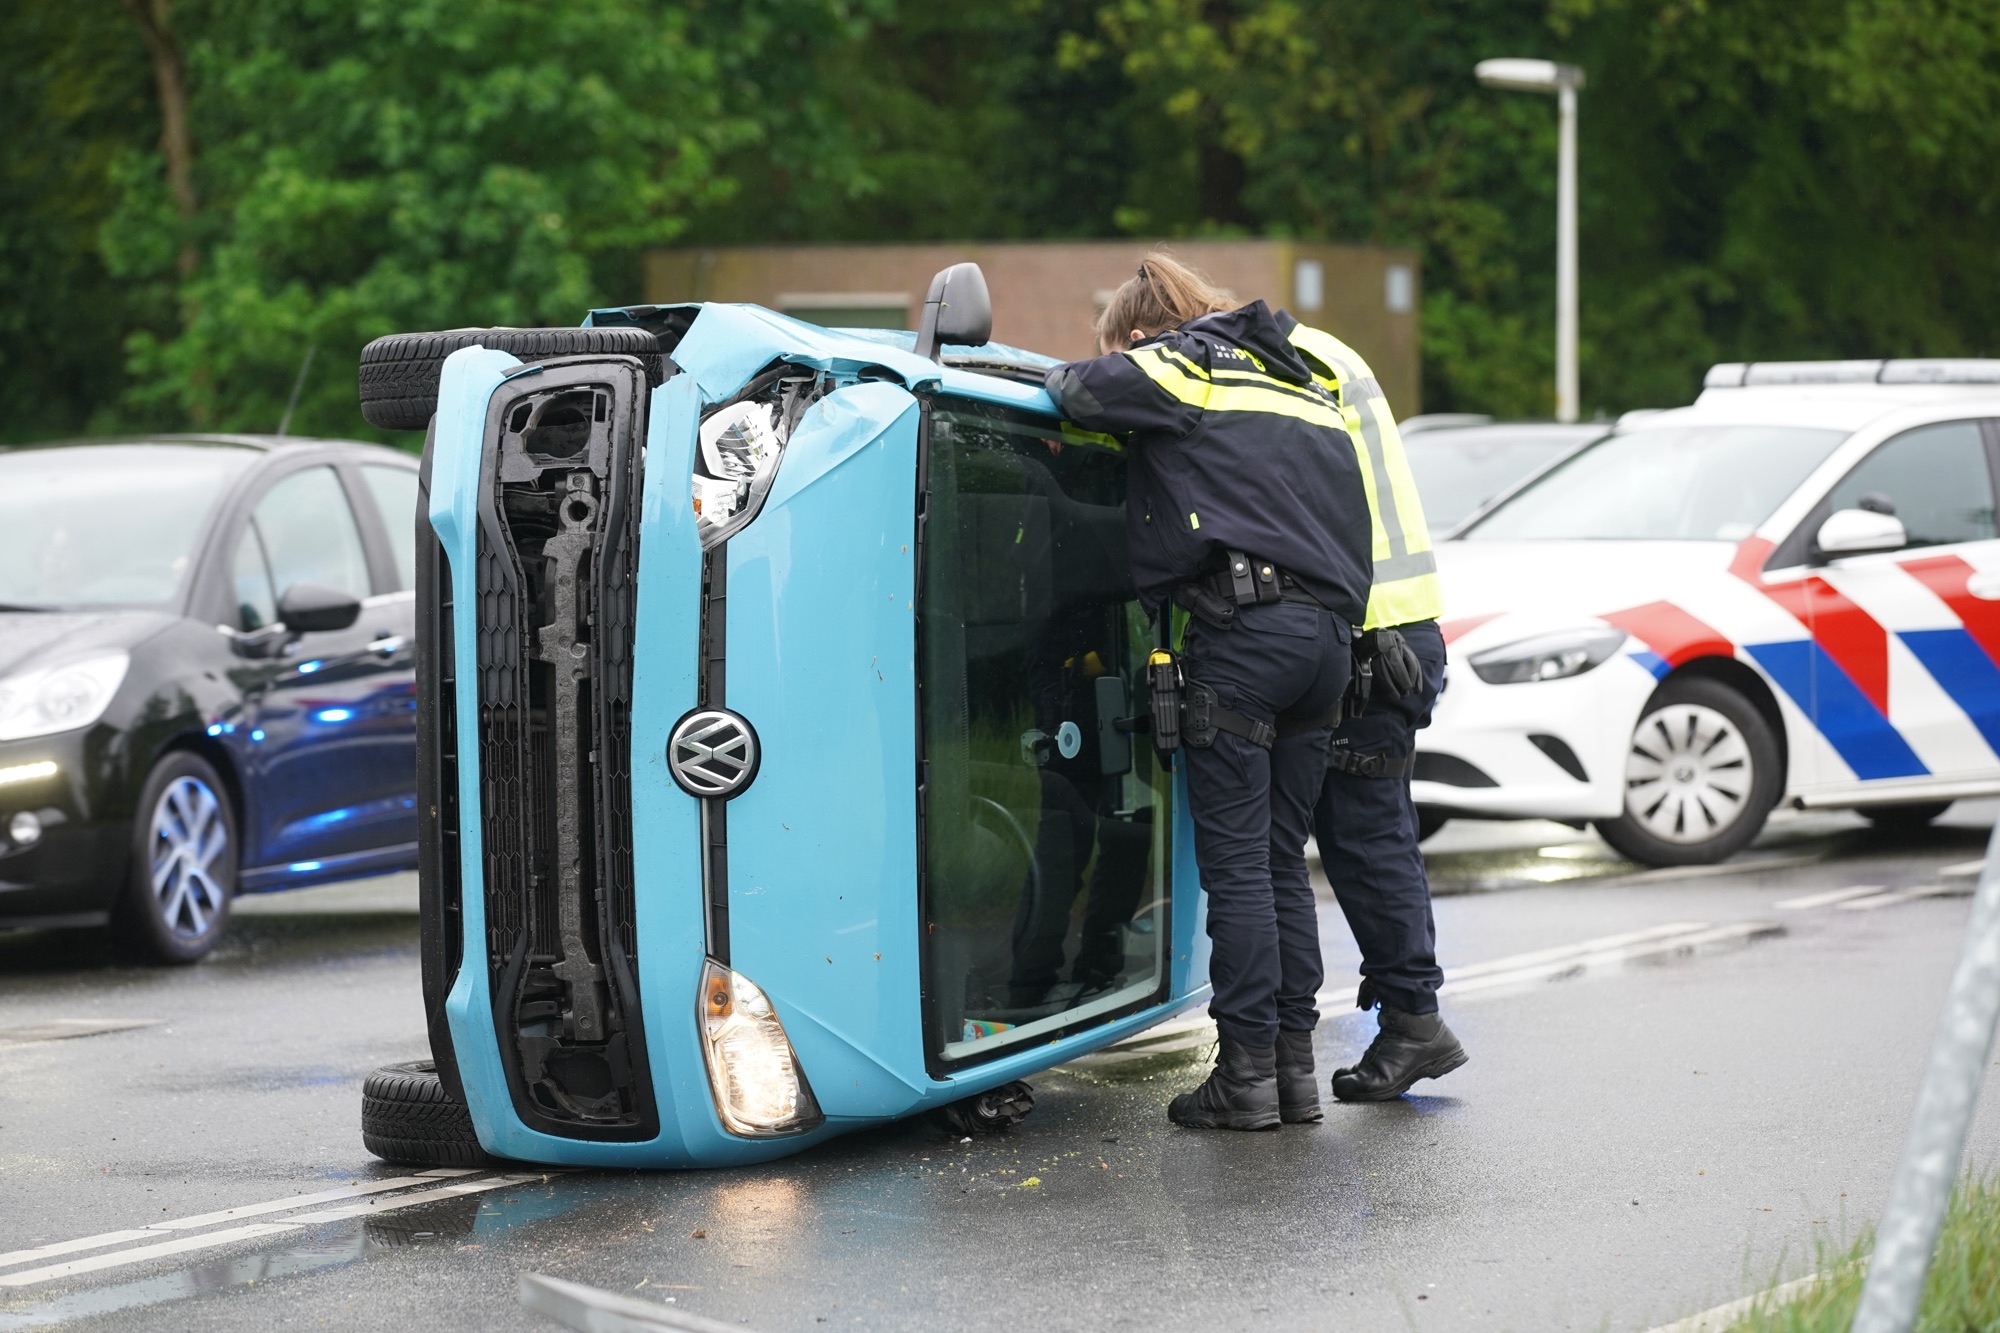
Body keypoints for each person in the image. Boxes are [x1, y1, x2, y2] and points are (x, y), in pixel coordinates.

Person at [1045, 254, 1372, 1130]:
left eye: (1122, 345)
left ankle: (1246, 1076)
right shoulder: (1301, 382)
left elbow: (1076, 392)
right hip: (1327, 649)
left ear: (1142, 334)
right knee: (1279, 864)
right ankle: (1294, 1075)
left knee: (1235, 868)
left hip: (1247, 639)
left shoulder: (1185, 359)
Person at [1282, 315, 1467, 1102]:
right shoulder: (1321, 347)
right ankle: (1412, 1017)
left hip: (1369, 635)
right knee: (1371, 832)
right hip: (1390, 629)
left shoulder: (1277, 364)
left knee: (1366, 837)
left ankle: (1416, 1021)